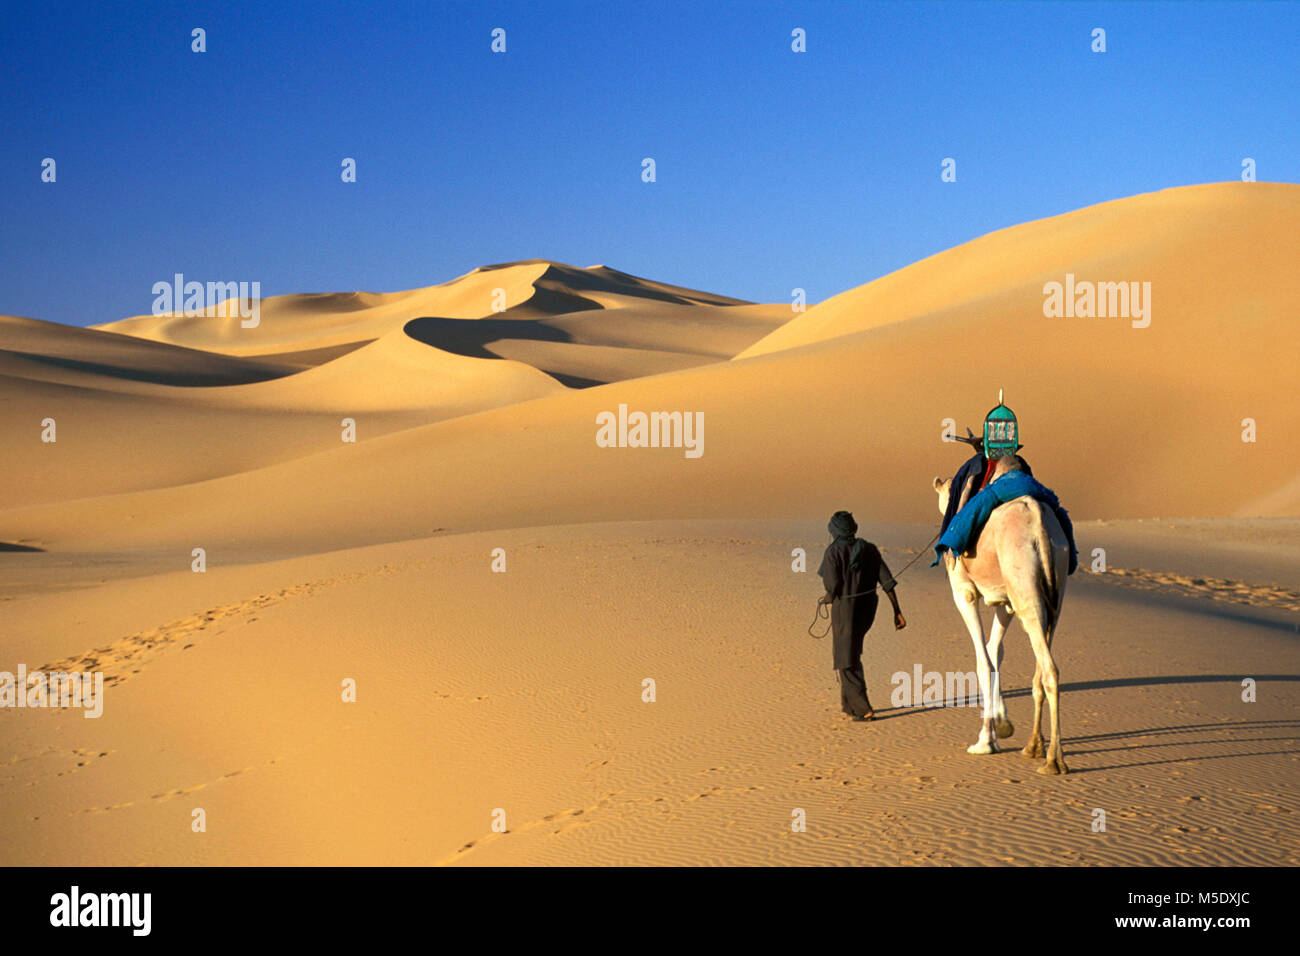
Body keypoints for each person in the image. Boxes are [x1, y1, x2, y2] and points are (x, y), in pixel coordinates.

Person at [817, 511, 906, 721]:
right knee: (851, 651)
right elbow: (887, 582)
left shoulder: (833, 552)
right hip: (866, 611)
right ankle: (848, 705)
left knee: (845, 658)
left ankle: (862, 708)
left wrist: (827, 598)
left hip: (845, 611)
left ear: (835, 531)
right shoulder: (870, 549)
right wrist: (897, 611)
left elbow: (833, 586)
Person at [941, 393, 1032, 536]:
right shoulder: (1022, 465)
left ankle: (955, 531)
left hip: (985, 461)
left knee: (963, 480)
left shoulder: (978, 464)